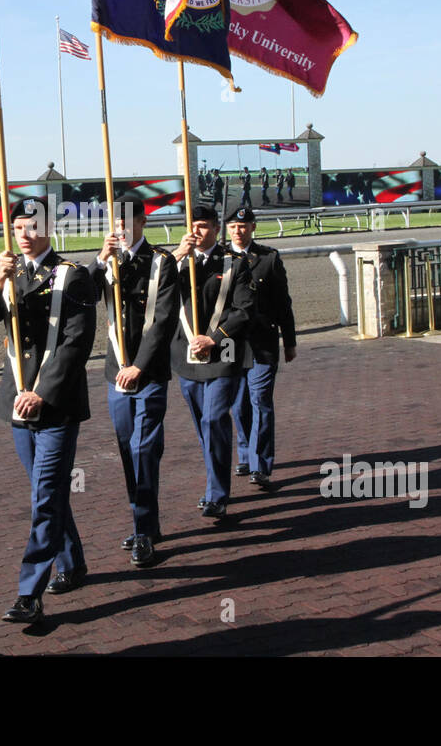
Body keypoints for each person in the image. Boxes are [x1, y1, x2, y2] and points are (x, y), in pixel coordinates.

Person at [0, 196, 97, 625]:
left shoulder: (72, 276)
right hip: (17, 405)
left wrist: (42, 392)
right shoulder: (11, 272)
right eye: (18, 227)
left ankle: (30, 592)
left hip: (54, 404)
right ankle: (73, 564)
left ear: (50, 228)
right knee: (50, 491)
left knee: (44, 495)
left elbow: (76, 344)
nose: (24, 235)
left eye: (33, 226)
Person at [88, 194, 179, 568]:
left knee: (144, 447)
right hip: (115, 372)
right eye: (115, 221)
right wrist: (99, 261)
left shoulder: (161, 262)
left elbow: (163, 321)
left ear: (142, 222)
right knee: (128, 448)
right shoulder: (107, 262)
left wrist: (139, 366)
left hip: (149, 372)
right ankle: (145, 518)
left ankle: (143, 531)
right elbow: (81, 297)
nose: (121, 228)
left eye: (127, 221)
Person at [170, 203, 253, 521]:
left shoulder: (234, 263)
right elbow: (153, 292)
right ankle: (213, 479)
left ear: (216, 230)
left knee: (214, 419)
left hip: (222, 354)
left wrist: (214, 339)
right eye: (192, 225)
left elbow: (243, 310)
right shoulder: (174, 263)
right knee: (203, 427)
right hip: (187, 356)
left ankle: (217, 494)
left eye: (203, 225)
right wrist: (179, 255)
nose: (196, 231)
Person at [225, 205, 297, 489]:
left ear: (253, 227)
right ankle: (245, 453)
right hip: (230, 344)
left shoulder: (268, 259)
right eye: (232, 226)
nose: (238, 231)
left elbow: (283, 303)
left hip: (263, 344)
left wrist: (289, 341)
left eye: (243, 226)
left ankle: (261, 463)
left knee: (261, 401)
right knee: (237, 403)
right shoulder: (219, 259)